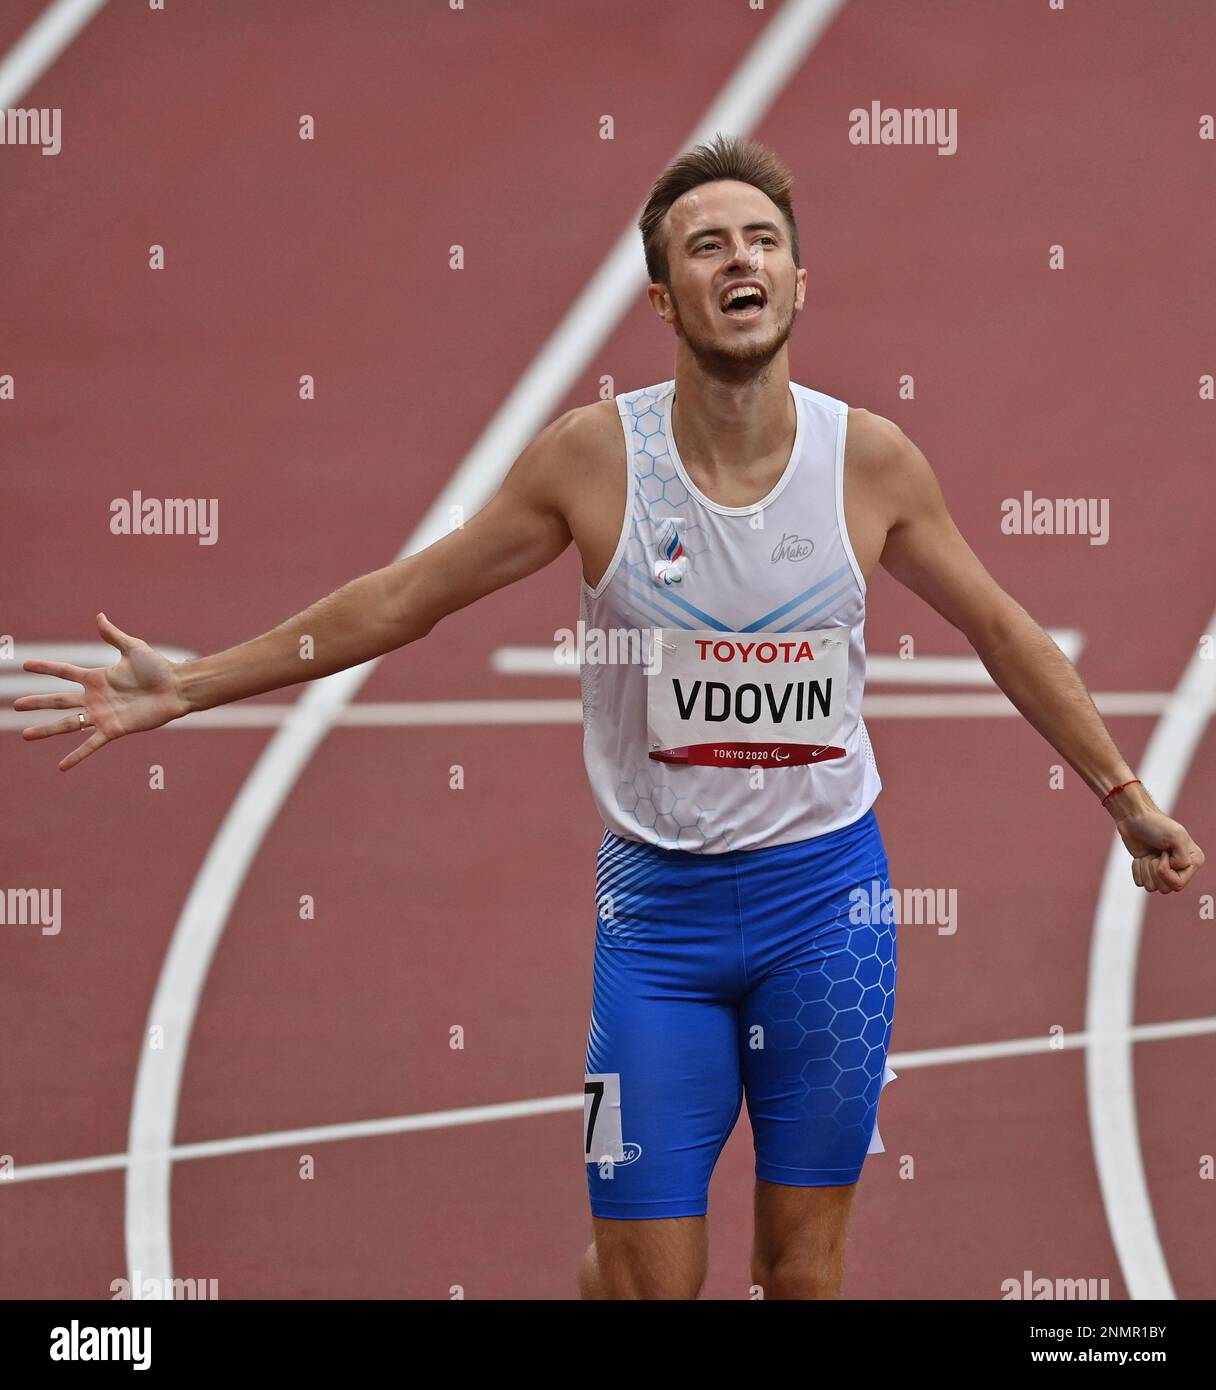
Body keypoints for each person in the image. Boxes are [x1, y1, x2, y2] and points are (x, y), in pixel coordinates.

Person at [17, 133, 1205, 1301]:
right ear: (660, 294)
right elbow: (402, 599)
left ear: (798, 279)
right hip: (656, 927)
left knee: (802, 1274)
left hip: (829, 915)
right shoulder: (595, 462)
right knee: (649, 1285)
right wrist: (193, 681)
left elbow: (1002, 630)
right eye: (706, 246)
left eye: (762, 240)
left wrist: (1124, 794)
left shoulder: (870, 464)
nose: (738, 260)